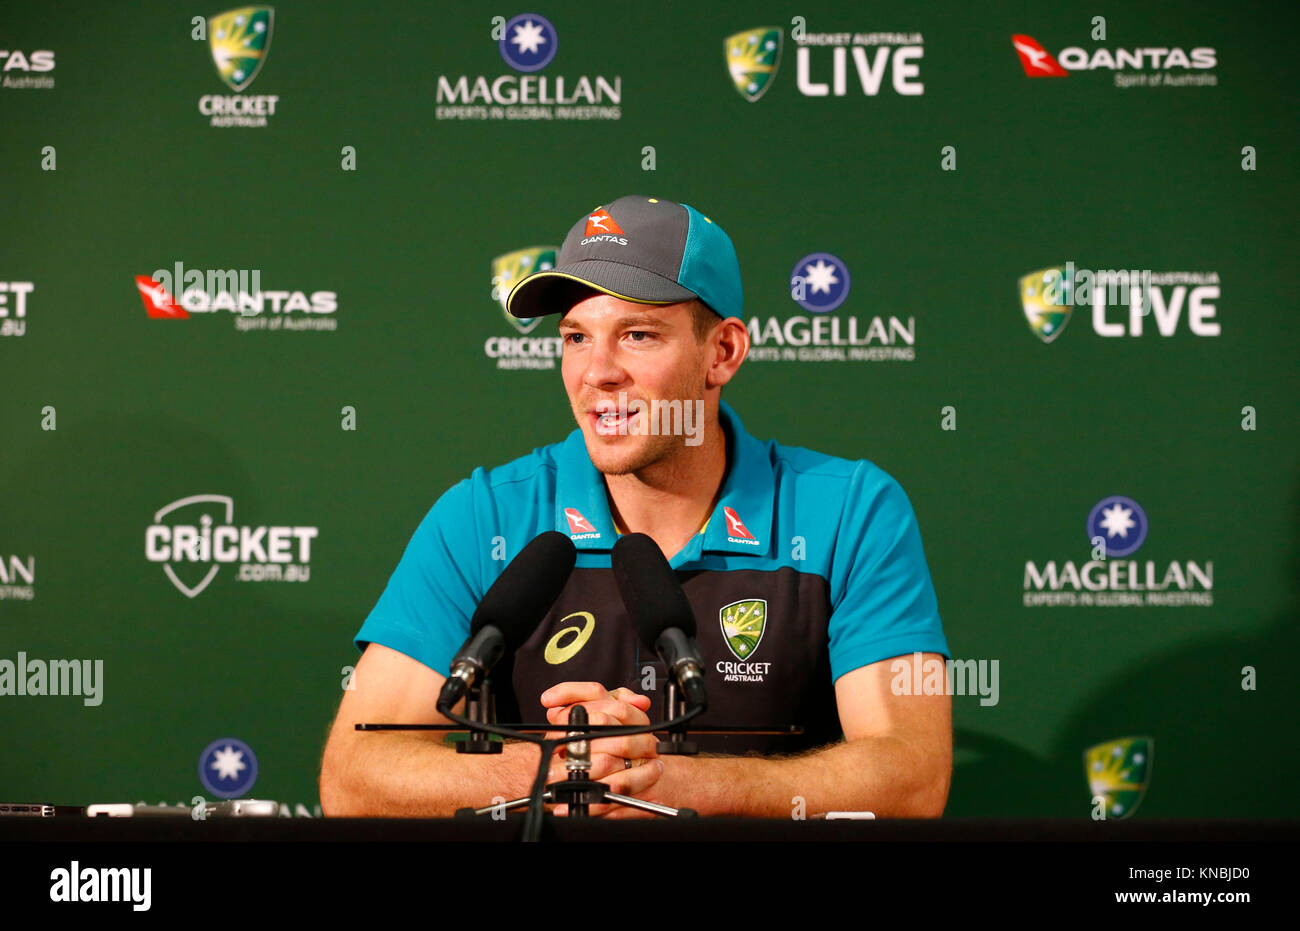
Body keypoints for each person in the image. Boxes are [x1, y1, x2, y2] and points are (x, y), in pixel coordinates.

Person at [319, 195, 951, 818]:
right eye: (575, 337)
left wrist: (673, 785)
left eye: (638, 335)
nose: (597, 372)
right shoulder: (483, 517)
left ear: (723, 352)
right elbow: (355, 779)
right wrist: (559, 766)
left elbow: (911, 776)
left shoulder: (849, 511)